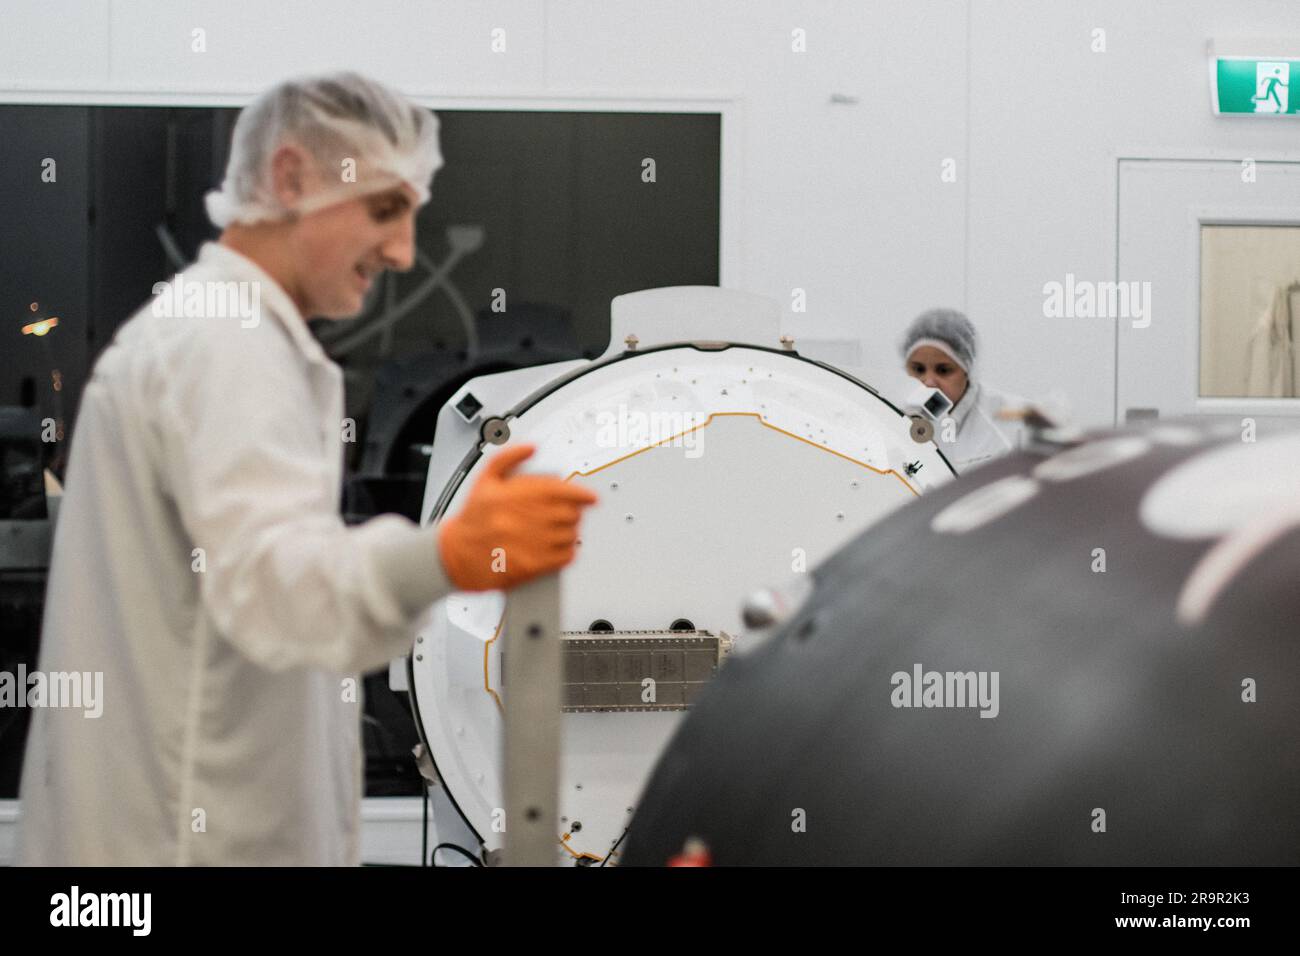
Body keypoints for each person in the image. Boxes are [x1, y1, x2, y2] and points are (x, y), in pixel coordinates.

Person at [17, 72, 597, 865]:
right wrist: (449, 555)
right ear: (291, 179)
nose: (401, 251)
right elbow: (278, 585)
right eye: (385, 209)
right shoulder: (227, 347)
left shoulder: (224, 335)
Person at [900, 308, 1025, 472]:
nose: (929, 383)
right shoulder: (890, 419)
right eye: (918, 370)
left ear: (967, 370)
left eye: (943, 370)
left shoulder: (1013, 425)